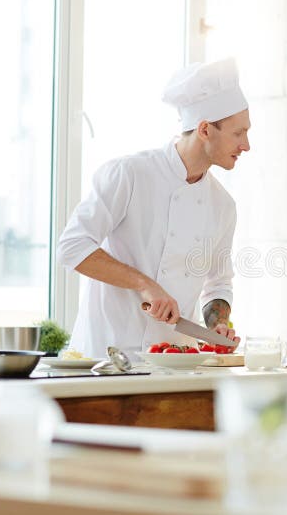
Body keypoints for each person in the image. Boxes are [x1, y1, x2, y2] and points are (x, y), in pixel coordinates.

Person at [57, 58, 250, 357]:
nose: (246, 145)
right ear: (204, 129)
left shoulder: (223, 205)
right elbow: (72, 246)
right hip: (107, 357)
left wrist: (218, 324)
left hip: (173, 361)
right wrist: (145, 284)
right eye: (238, 133)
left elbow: (218, 284)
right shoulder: (130, 174)